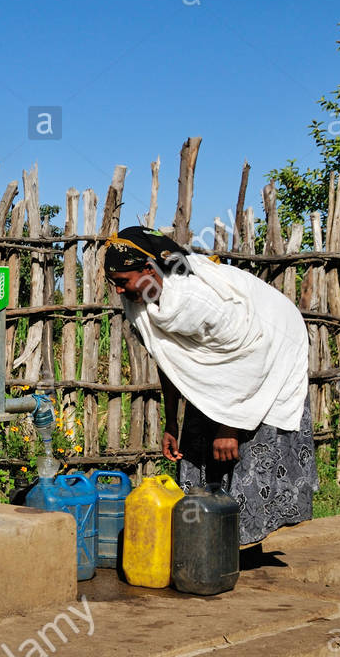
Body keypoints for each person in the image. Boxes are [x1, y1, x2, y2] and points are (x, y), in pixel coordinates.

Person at [104, 225, 315, 547]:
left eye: (122, 282)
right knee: (198, 442)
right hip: (233, 358)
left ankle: (241, 541)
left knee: (248, 444)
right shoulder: (140, 301)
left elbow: (253, 356)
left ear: (148, 270)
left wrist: (229, 427)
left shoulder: (200, 300)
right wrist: (172, 421)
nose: (118, 291)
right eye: (114, 284)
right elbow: (170, 360)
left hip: (271, 345)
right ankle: (207, 536)